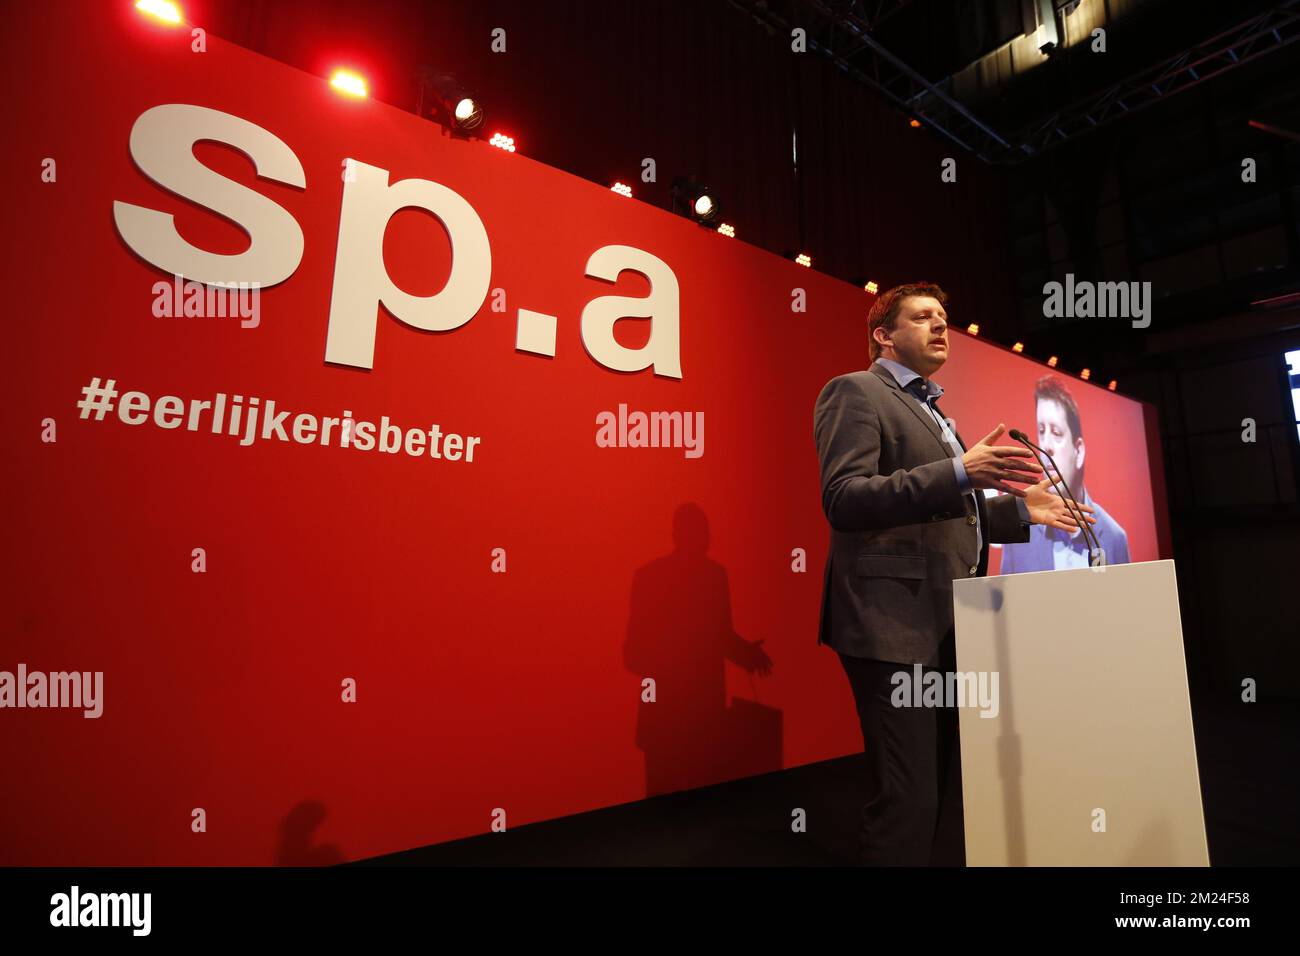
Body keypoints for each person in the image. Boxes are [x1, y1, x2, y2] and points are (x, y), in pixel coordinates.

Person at [812, 281, 1095, 866]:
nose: (941, 326)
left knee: (937, 786)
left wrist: (1020, 509)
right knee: (907, 799)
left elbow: (943, 515)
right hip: (890, 625)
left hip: (944, 623)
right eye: (922, 318)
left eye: (944, 316)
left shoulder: (933, 410)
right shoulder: (855, 392)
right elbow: (845, 498)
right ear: (882, 336)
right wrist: (960, 472)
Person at [999, 375, 1130, 573]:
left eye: (1057, 433)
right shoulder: (1017, 537)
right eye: (1041, 431)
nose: (1046, 445)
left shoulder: (1114, 538)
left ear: (1079, 451)